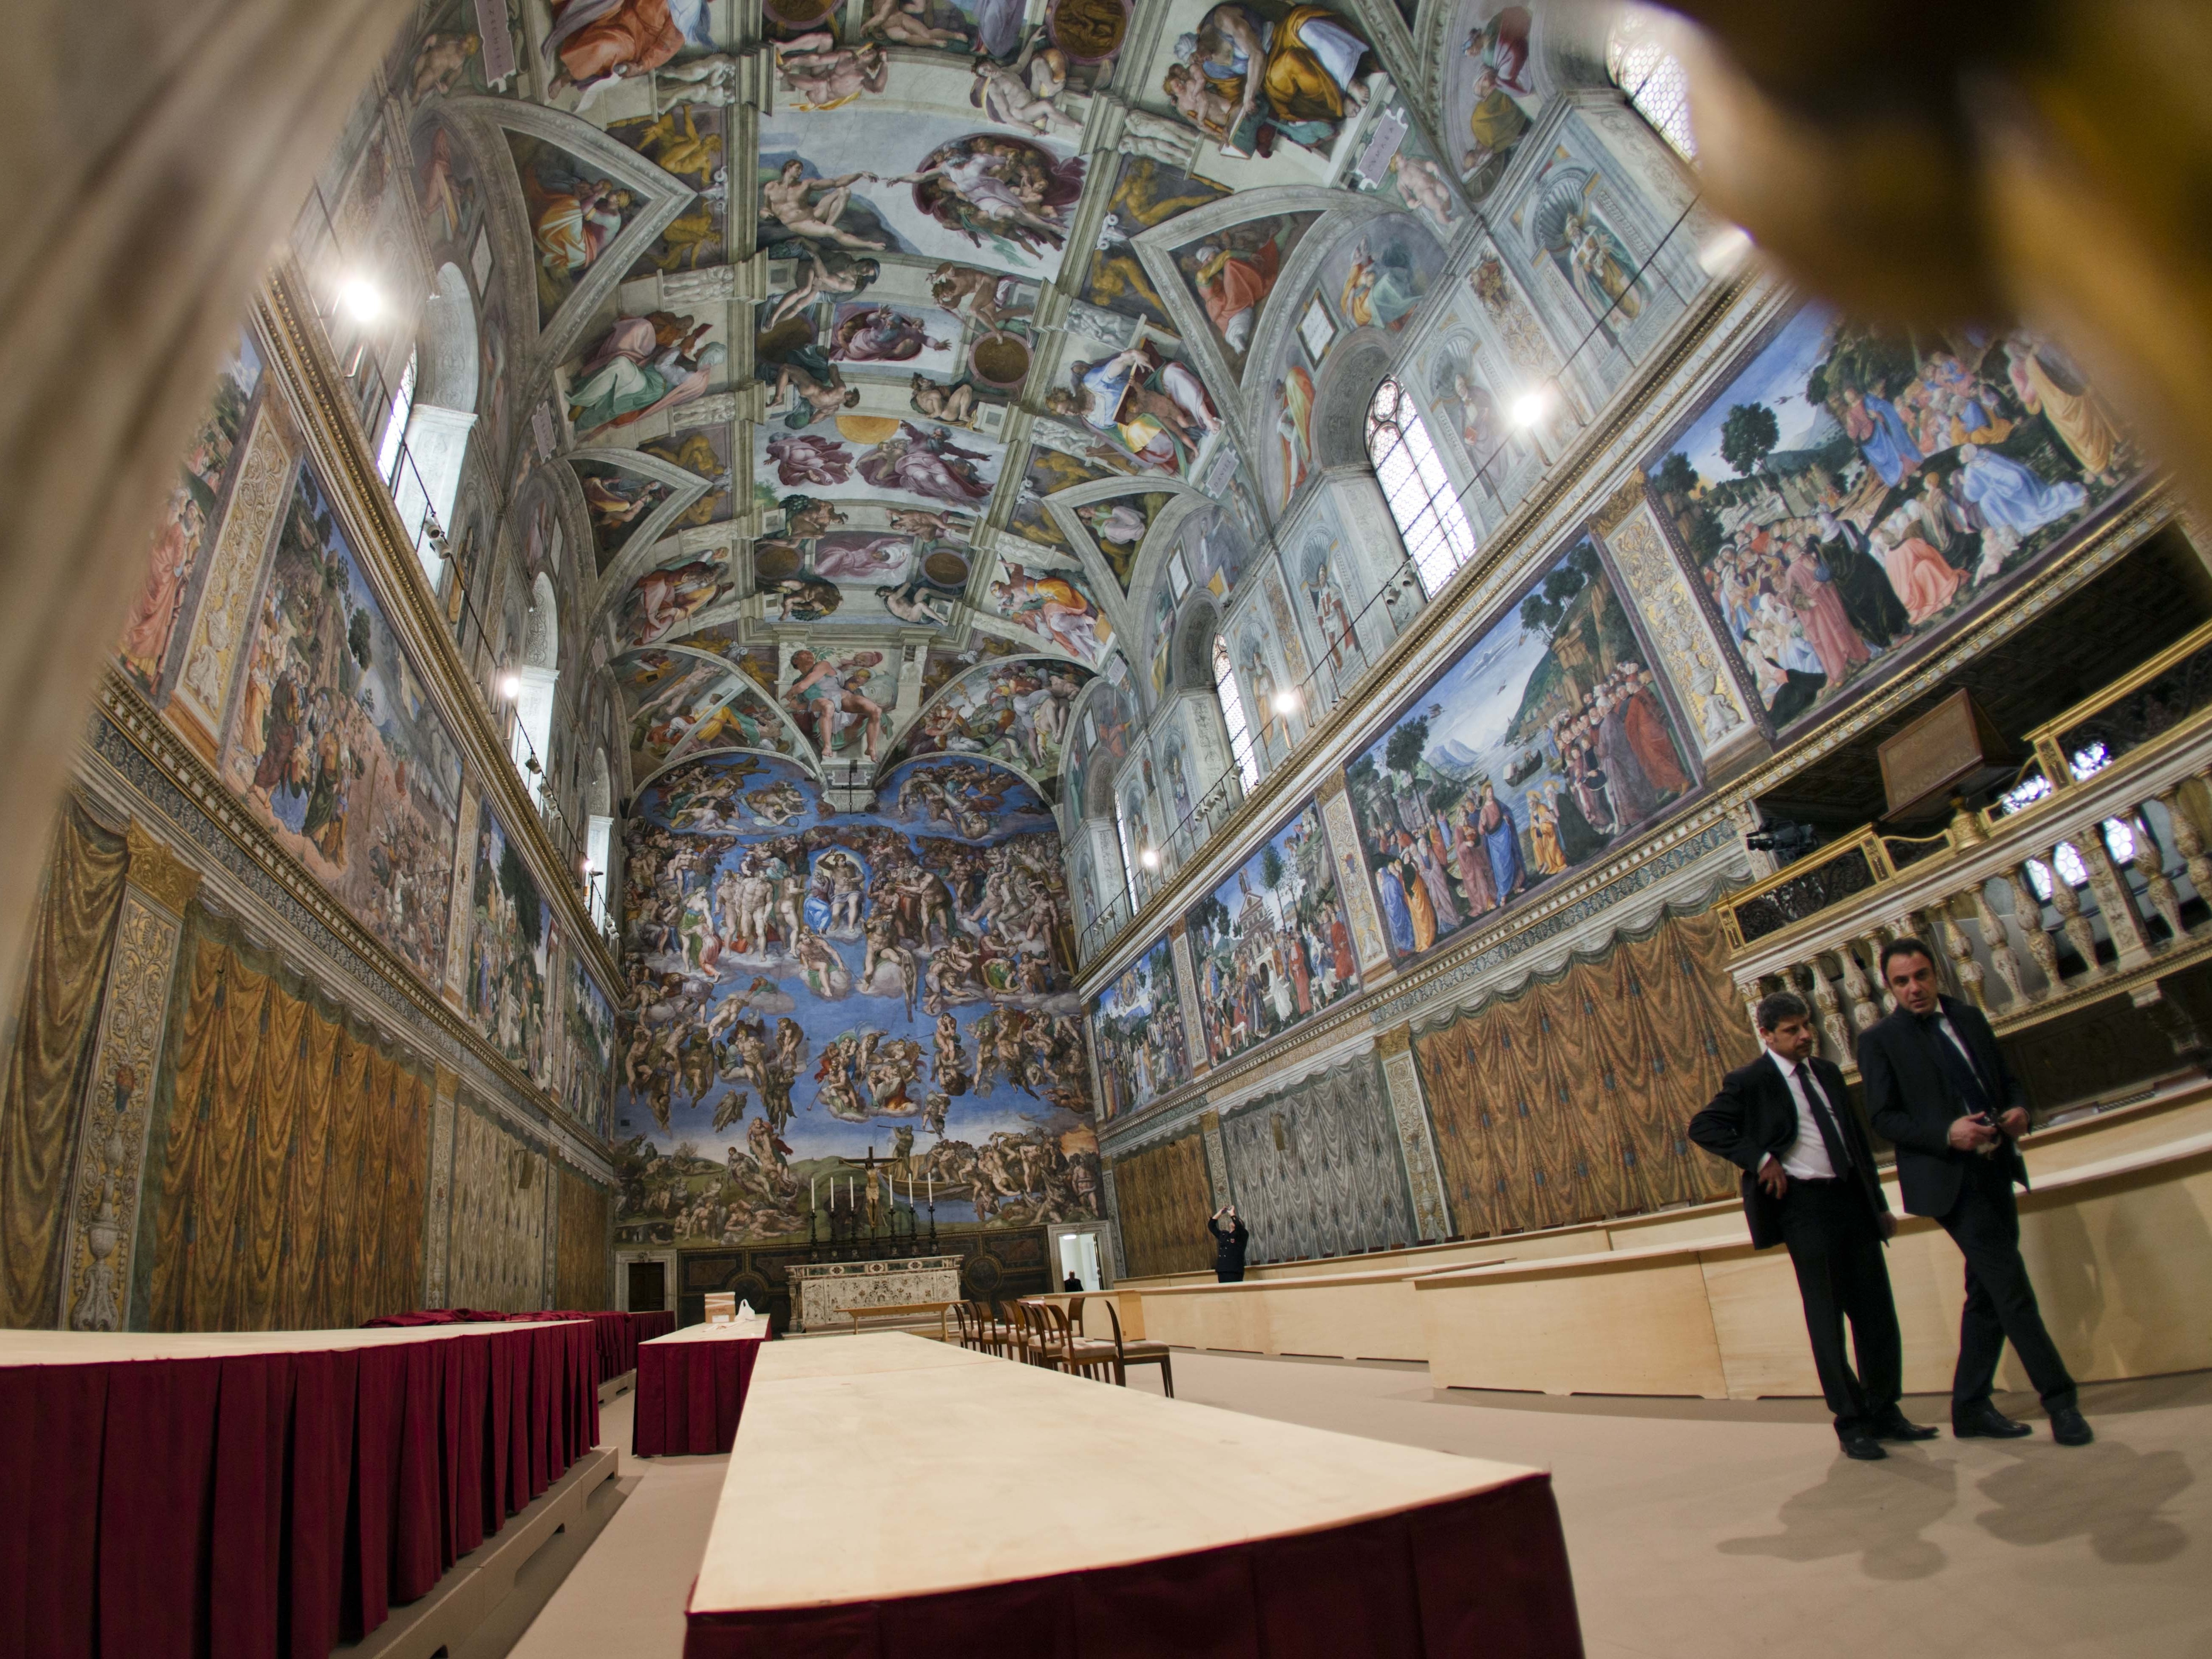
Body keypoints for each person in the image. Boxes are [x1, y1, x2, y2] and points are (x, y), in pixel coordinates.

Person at [1858, 939, 2093, 1446]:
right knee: (2010, 1288)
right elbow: (1883, 1118)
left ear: (1935, 973)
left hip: (1995, 1166)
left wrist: (2018, 1111)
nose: (1913, 988)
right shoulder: (1880, 1041)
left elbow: (2006, 1080)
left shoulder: (1967, 1017)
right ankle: (2060, 1403)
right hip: (1949, 1182)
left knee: (1986, 1293)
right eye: (1901, 981)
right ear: (1888, 987)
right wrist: (1947, 1133)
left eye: (1920, 975)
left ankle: (1968, 1406)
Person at [1689, 992, 1933, 1461]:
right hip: (1805, 1208)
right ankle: (1851, 1421)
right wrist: (1761, 1158)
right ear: (1766, 1034)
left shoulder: (1826, 1072)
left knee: (1877, 1314)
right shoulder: (1750, 1081)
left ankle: (1884, 1410)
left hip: (1851, 1201)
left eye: (1806, 1025)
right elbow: (1703, 1127)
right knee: (1827, 1318)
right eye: (1792, 1030)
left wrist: (1878, 1203)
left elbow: (1854, 1141)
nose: (1805, 1035)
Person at [1208, 1205, 1251, 1283]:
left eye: (1237, 1221)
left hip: (1234, 1269)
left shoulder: (1242, 1235)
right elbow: (1211, 1226)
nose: (1233, 1221)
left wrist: (1232, 1213)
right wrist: (1220, 1213)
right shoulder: (1224, 1235)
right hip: (1222, 1269)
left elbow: (1239, 1226)